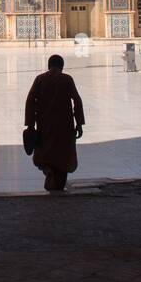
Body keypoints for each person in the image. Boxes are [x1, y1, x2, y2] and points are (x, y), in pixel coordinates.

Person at [24, 54, 85, 192]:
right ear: (62, 67)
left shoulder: (40, 79)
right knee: (63, 156)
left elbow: (30, 101)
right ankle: (57, 186)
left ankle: (48, 170)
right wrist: (79, 123)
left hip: (44, 125)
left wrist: (30, 124)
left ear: (48, 66)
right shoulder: (67, 79)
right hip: (65, 126)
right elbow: (77, 100)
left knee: (44, 153)